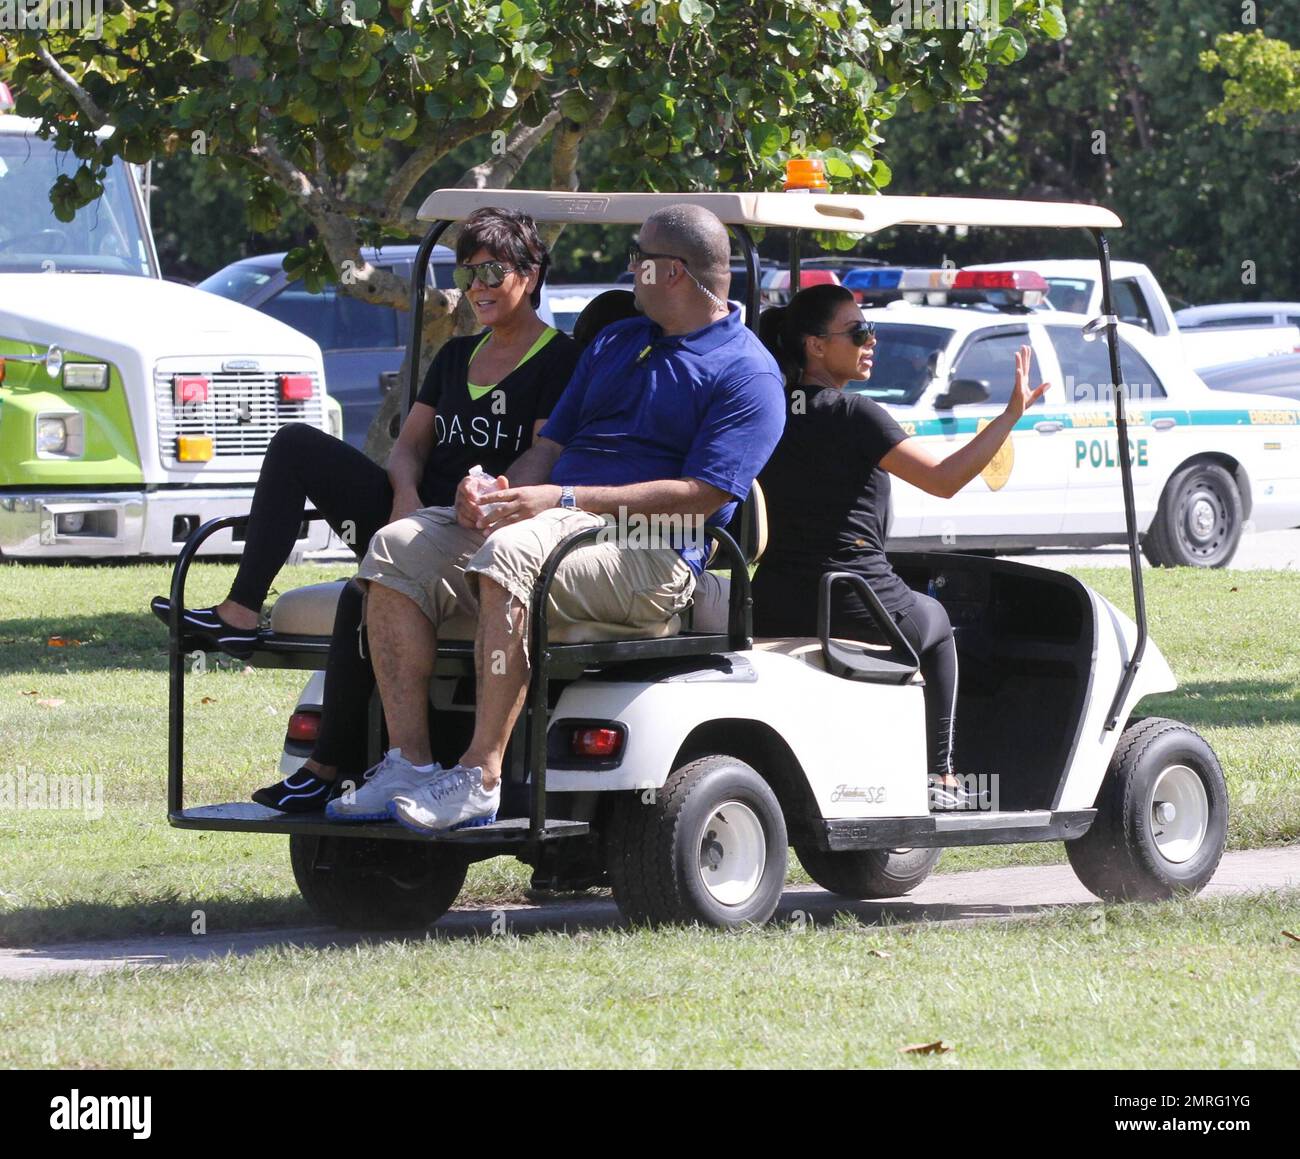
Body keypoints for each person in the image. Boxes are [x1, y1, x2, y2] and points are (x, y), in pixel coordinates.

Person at [327, 203, 786, 832]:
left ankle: (480, 777)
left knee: (514, 553)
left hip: (649, 550)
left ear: (673, 272)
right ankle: (409, 762)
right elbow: (549, 449)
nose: (630, 270)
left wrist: (563, 501)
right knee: (397, 543)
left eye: (640, 260)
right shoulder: (617, 342)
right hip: (559, 522)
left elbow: (703, 496)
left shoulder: (748, 372)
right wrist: (494, 492)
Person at [151, 208, 580, 812]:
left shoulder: (560, 359)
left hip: (479, 531)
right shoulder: (457, 355)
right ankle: (241, 611)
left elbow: (544, 454)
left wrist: (487, 500)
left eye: (493, 273)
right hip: (411, 518)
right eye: (468, 274)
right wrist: (403, 497)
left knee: (360, 595)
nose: (477, 288)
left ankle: (329, 768)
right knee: (295, 443)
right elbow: (409, 446)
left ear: (530, 276)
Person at [752, 284, 1049, 810]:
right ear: (816, 346)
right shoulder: (855, 415)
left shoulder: (767, 409)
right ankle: (942, 776)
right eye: (860, 332)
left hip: (772, 601)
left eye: (873, 331)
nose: (872, 342)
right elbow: (945, 480)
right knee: (935, 623)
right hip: (851, 601)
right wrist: (1008, 417)